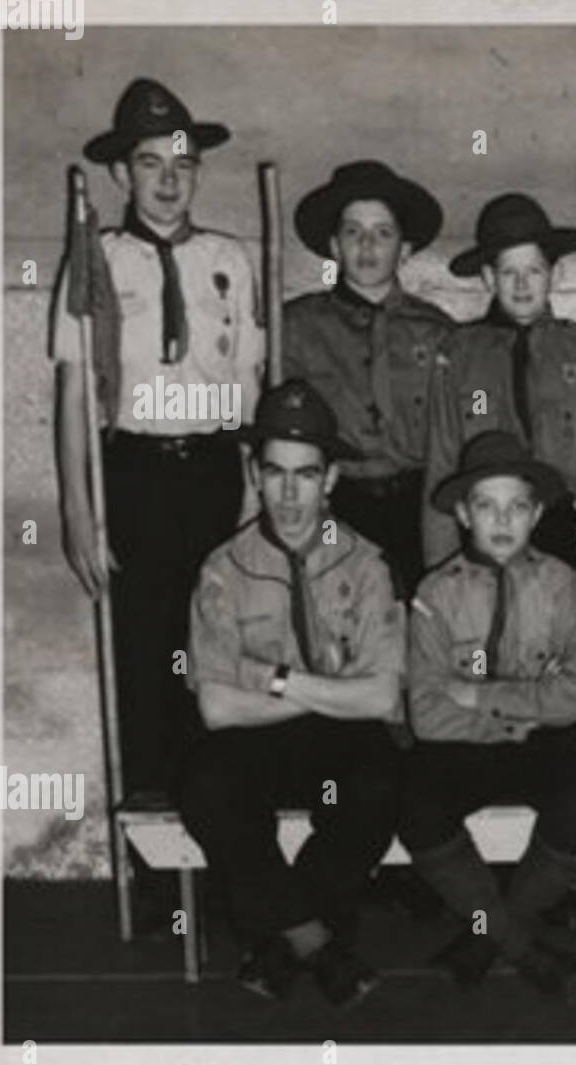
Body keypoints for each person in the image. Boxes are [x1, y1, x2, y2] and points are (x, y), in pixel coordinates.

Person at [52, 77, 261, 805]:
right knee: (146, 651)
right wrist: (78, 512)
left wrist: (255, 489)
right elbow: (76, 393)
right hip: (134, 473)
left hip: (212, 469)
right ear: (121, 174)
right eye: (150, 164)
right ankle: (152, 853)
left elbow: (247, 388)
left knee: (217, 645)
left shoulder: (230, 258)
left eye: (182, 164)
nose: (168, 181)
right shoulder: (96, 260)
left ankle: (223, 843)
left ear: (197, 172)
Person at [181, 381, 405, 1007]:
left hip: (333, 735)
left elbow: (382, 698)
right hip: (258, 736)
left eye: (305, 475)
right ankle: (316, 940)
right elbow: (218, 708)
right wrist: (333, 690)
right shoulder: (222, 570)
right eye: (274, 472)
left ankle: (277, 940)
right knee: (207, 782)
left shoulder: (365, 564)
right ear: (254, 473)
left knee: (382, 782)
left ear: (330, 480)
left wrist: (278, 679)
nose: (288, 494)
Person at [399, 431, 576, 994]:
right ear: (464, 513)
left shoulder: (560, 584)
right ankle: (518, 943)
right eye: (486, 507)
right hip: (463, 746)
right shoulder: (435, 594)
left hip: (541, 745)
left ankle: (489, 934)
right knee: (418, 804)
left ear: (536, 513)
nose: (503, 522)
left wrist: (482, 696)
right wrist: (524, 710)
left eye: (517, 507)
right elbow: (428, 714)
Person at [424, 192, 576, 607]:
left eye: (534, 271)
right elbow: (441, 468)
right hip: (484, 533)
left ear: (554, 276)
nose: (522, 285)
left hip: (563, 532)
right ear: (488, 278)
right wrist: (443, 579)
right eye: (509, 273)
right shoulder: (458, 356)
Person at [284, 160, 452, 598]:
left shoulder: (439, 333)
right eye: (353, 232)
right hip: (337, 509)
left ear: (406, 248)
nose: (367, 246)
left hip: (421, 512)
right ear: (334, 246)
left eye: (383, 233)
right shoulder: (298, 328)